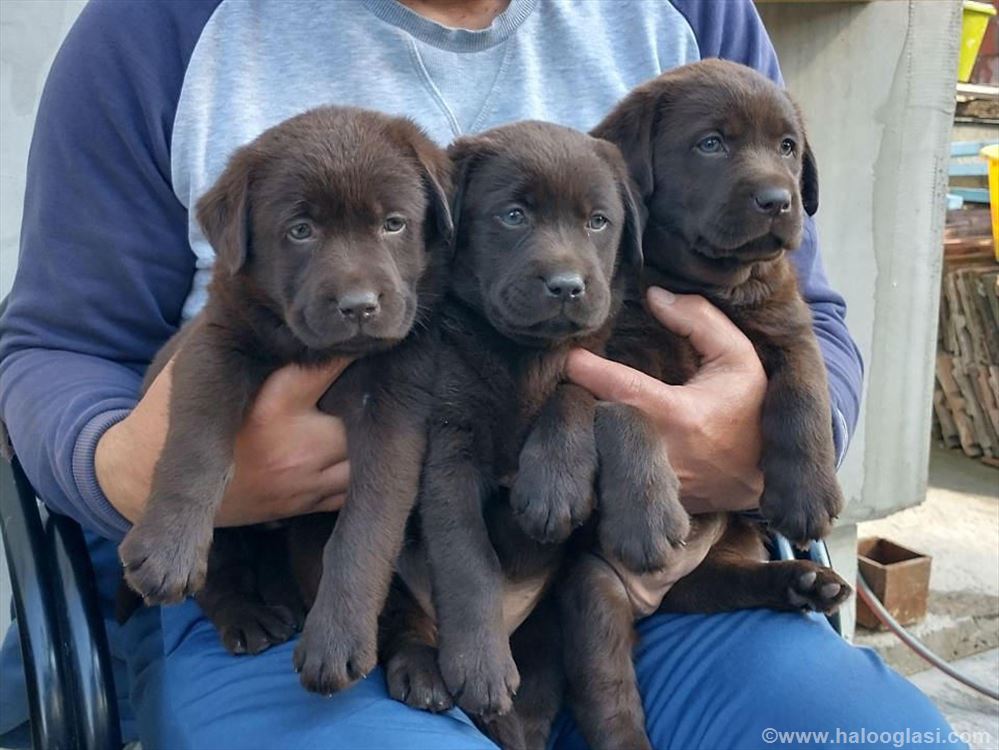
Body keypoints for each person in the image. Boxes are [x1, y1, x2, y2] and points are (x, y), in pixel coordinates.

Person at [0, 1, 963, 748]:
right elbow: (54, 347)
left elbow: (805, 311)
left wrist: (766, 439)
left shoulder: (690, 12)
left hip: (633, 566)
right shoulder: (158, 27)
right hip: (286, 579)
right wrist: (123, 470)